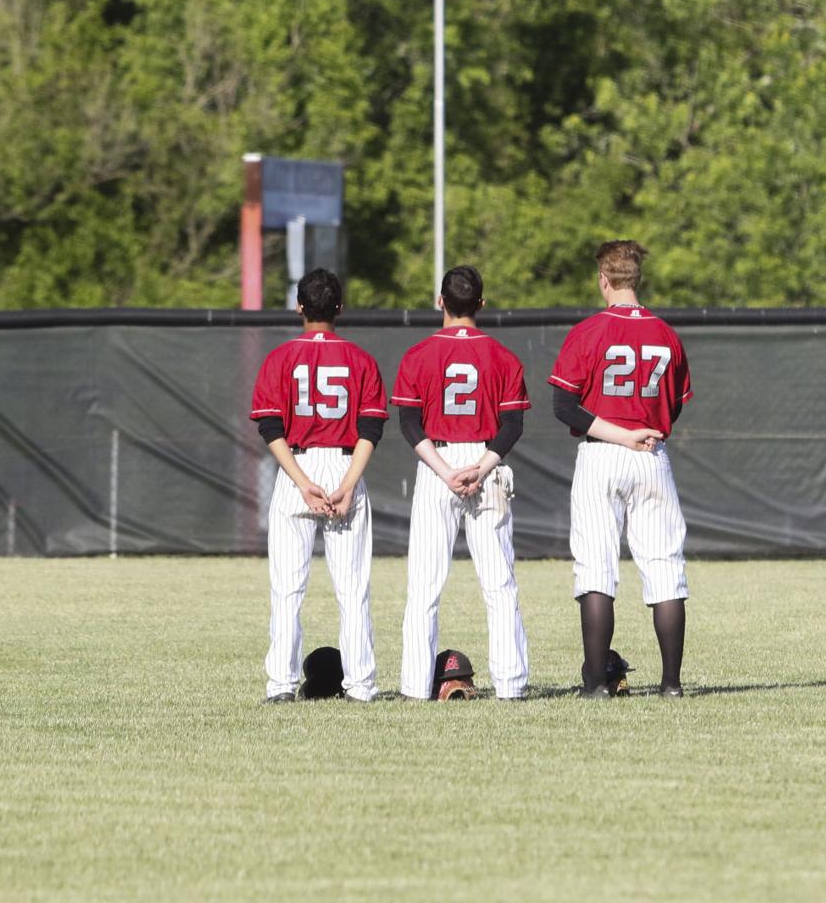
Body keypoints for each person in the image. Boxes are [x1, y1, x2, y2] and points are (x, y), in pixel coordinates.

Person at [548, 240, 692, 699]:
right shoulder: (665, 333)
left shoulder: (589, 331)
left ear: (604, 280)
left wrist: (619, 435)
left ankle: (596, 685)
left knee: (596, 569)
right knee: (665, 567)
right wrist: (639, 433)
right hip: (651, 453)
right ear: (637, 278)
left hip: (602, 454)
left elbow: (564, 406)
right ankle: (671, 684)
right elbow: (675, 404)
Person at [392, 265, 531, 701]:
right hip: (485, 463)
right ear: (481, 304)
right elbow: (512, 425)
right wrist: (482, 467)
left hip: (439, 464)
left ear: (441, 302)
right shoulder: (503, 356)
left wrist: (444, 470)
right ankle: (511, 685)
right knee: (499, 583)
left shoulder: (418, 354)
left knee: (424, 586)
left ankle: (415, 687)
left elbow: (409, 422)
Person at [249, 268, 387, 703]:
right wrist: (348, 483)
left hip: (299, 468)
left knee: (288, 588)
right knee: (353, 589)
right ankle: (361, 686)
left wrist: (303, 482)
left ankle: (281, 686)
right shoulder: (360, 359)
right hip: (346, 464)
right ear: (340, 308)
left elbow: (270, 427)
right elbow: (371, 428)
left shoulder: (280, 358)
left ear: (300, 307)